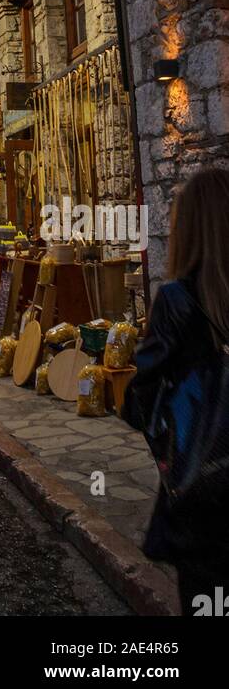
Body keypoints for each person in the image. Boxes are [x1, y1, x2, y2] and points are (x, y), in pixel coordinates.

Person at [122, 167, 229, 615]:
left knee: (207, 601)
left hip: (205, 485)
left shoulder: (177, 301)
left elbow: (140, 398)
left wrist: (169, 445)